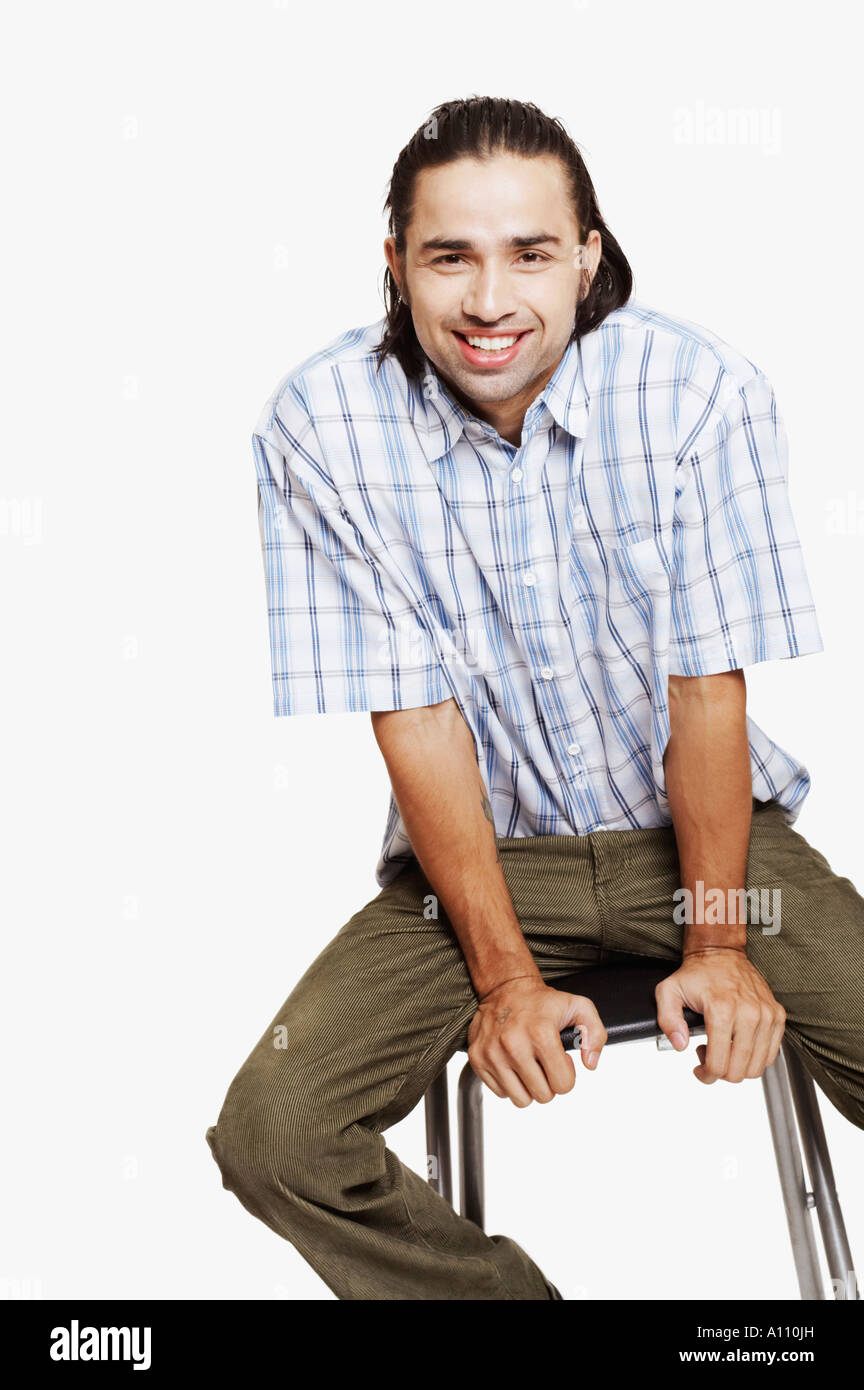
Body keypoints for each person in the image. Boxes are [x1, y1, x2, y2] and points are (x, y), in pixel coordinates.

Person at [206, 96, 863, 1300]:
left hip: (715, 852)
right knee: (275, 1131)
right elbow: (416, 717)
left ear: (588, 258)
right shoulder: (323, 424)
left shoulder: (691, 389)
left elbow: (704, 694)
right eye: (450, 255)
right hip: (480, 871)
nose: (490, 298)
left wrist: (718, 938)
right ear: (396, 261)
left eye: (531, 252)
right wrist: (503, 976)